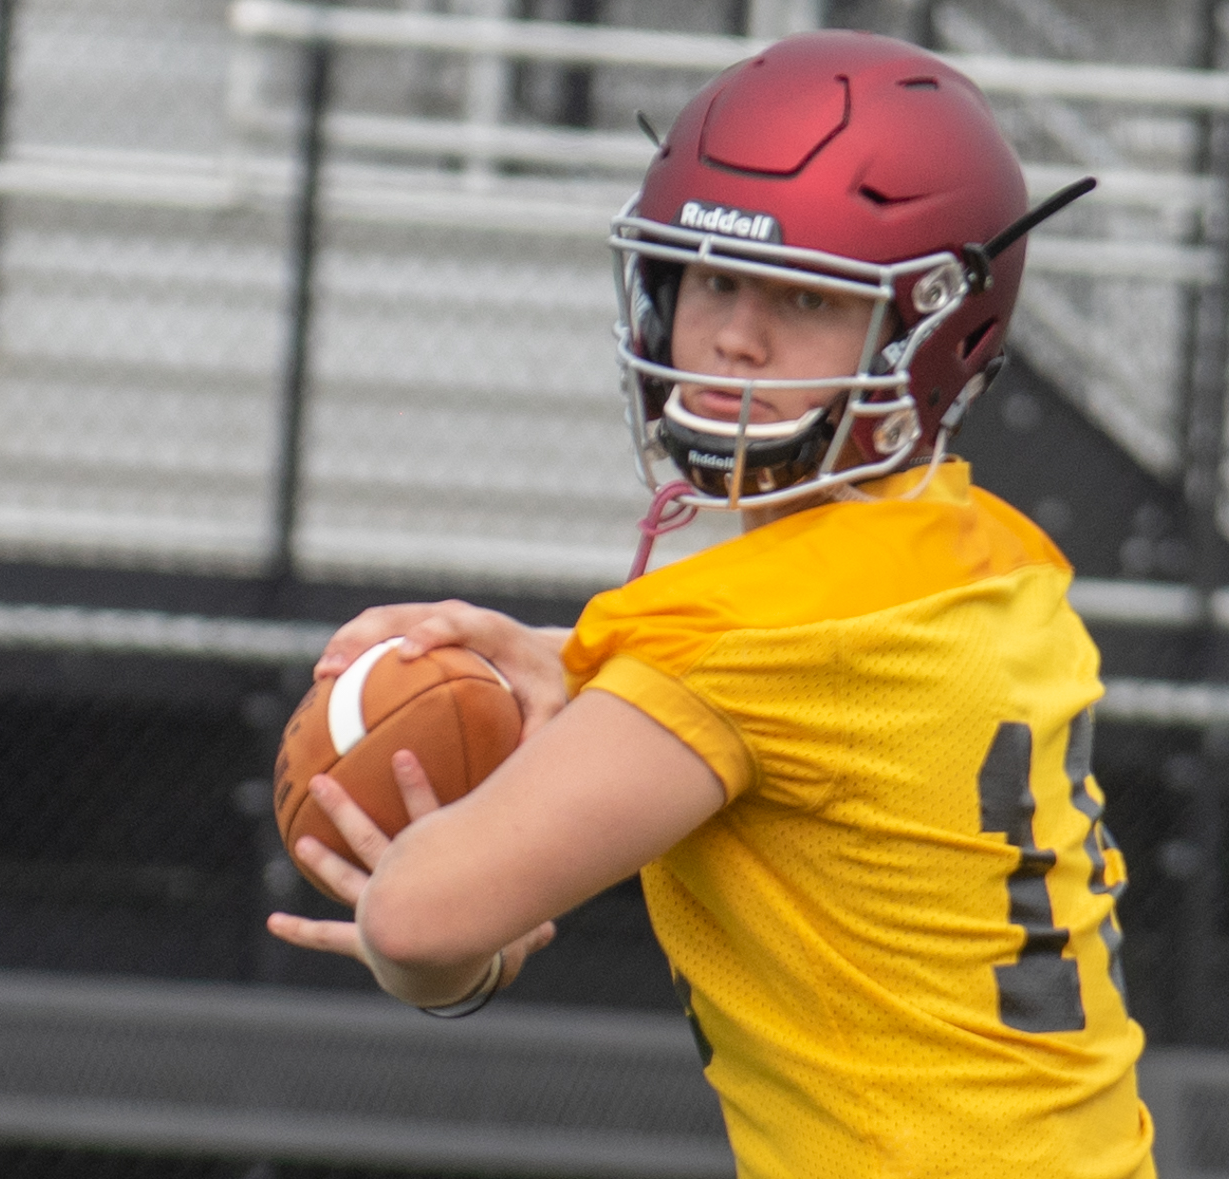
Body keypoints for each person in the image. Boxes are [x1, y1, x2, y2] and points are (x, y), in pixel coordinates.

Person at [268, 29, 1156, 1178]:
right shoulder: (993, 563)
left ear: (928, 335)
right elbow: (824, 697)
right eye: (714, 278)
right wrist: (584, 665)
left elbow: (420, 917)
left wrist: (432, 955)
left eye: (804, 297)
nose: (734, 337)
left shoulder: (738, 642)